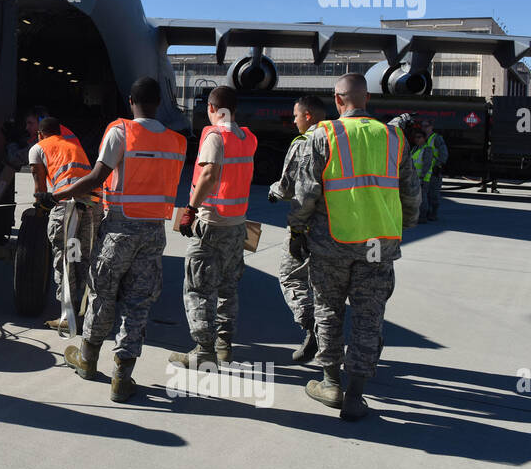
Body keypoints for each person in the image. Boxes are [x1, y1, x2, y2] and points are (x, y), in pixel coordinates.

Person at [290, 74, 420, 420]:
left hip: (332, 240)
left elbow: (306, 192)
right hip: (378, 245)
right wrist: (403, 225)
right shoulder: (393, 137)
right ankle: (356, 394)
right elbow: (411, 192)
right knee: (369, 315)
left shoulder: (323, 135)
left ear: (337, 100)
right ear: (366, 99)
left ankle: (330, 383)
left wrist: (297, 228)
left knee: (328, 311)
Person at [59, 78, 186, 401]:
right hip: (153, 231)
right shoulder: (176, 141)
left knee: (103, 294)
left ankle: (87, 360)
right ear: (159, 103)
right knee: (138, 303)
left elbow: (97, 177)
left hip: (120, 227)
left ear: (131, 101)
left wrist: (56, 195)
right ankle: (122, 376)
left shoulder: (122, 132)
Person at [171, 86, 257, 367]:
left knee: (197, 288)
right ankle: (223, 346)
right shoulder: (247, 137)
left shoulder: (215, 137)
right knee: (227, 288)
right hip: (237, 224)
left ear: (212, 108)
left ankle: (203, 350)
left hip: (210, 222)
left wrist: (190, 210)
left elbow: (209, 175)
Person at [267, 94, 328, 363]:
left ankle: (311, 327)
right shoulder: (338, 138)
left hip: (310, 225)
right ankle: (331, 343)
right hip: (342, 228)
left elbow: (294, 186)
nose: (293, 120)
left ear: (308, 115)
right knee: (327, 287)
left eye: (296, 115)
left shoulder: (305, 142)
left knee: (291, 276)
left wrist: (296, 230)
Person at [30, 116, 101, 320]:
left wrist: (40, 209)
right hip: (92, 205)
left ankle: (68, 316)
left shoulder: (39, 147)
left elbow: (39, 184)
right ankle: (87, 313)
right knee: (84, 257)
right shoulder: (72, 145)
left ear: (40, 134)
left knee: (65, 258)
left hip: (67, 207)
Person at [420, 119, 448, 221]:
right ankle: (426, 213)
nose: (424, 128)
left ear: (431, 127)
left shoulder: (436, 139)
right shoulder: (422, 138)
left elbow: (443, 153)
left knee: (433, 194)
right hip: (425, 172)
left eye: (426, 126)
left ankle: (433, 213)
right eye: (422, 126)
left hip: (434, 171)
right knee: (424, 195)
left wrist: (438, 166)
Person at [408, 129, 434, 223]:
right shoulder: (415, 148)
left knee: (422, 199)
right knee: (415, 199)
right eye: (415, 137)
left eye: (419, 137)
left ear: (424, 138)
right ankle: (416, 217)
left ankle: (423, 217)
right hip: (414, 178)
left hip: (422, 179)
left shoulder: (427, 149)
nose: (416, 139)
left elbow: (426, 164)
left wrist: (422, 177)